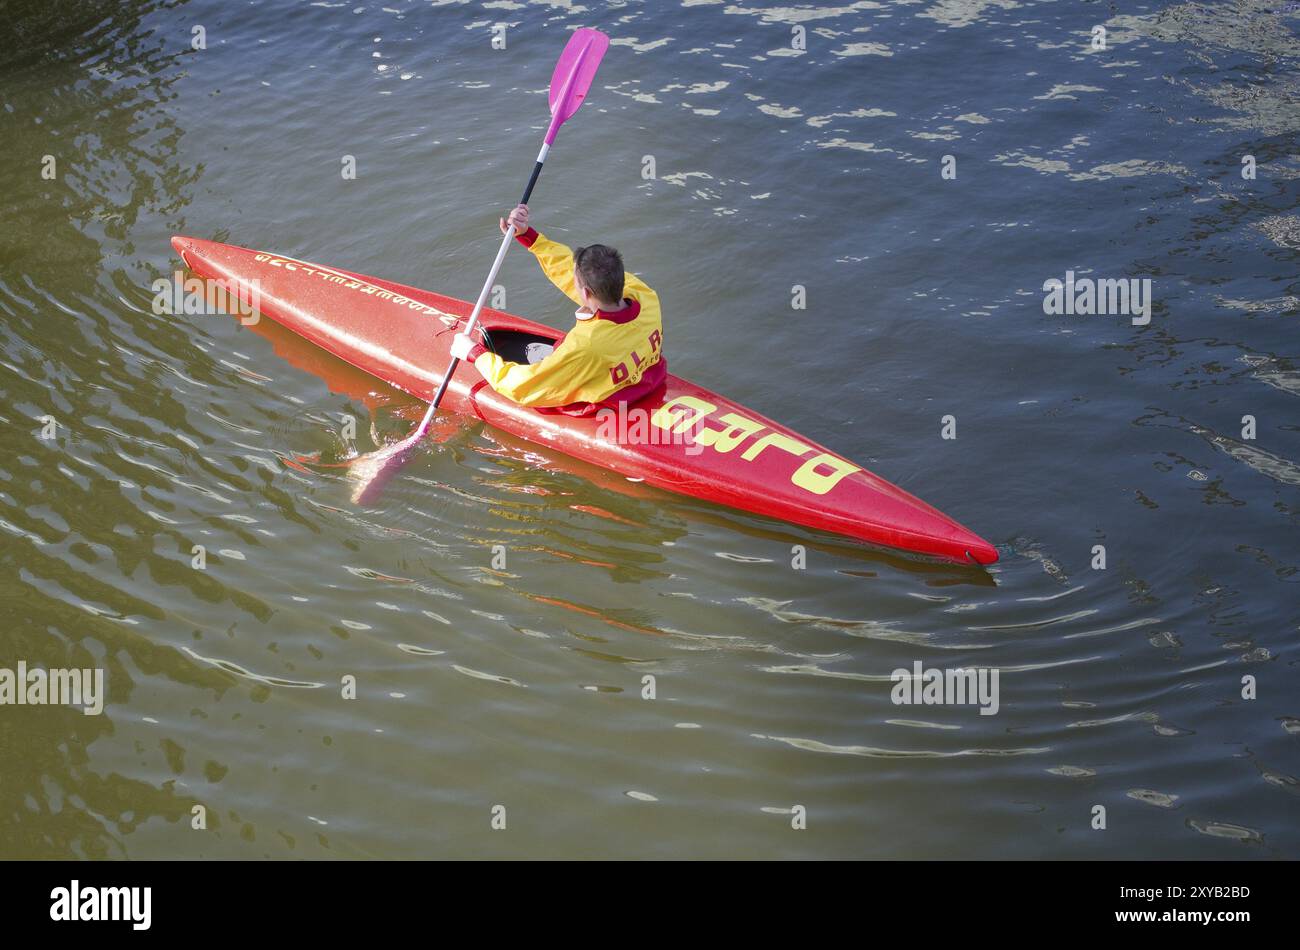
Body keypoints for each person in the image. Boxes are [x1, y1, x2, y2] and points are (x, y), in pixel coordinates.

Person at [449, 204, 666, 415]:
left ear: (587, 293)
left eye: (577, 283)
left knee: (540, 394)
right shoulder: (645, 295)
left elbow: (522, 387)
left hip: (608, 401)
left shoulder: (585, 344)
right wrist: (529, 237)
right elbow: (568, 268)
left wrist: (475, 354)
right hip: (650, 377)